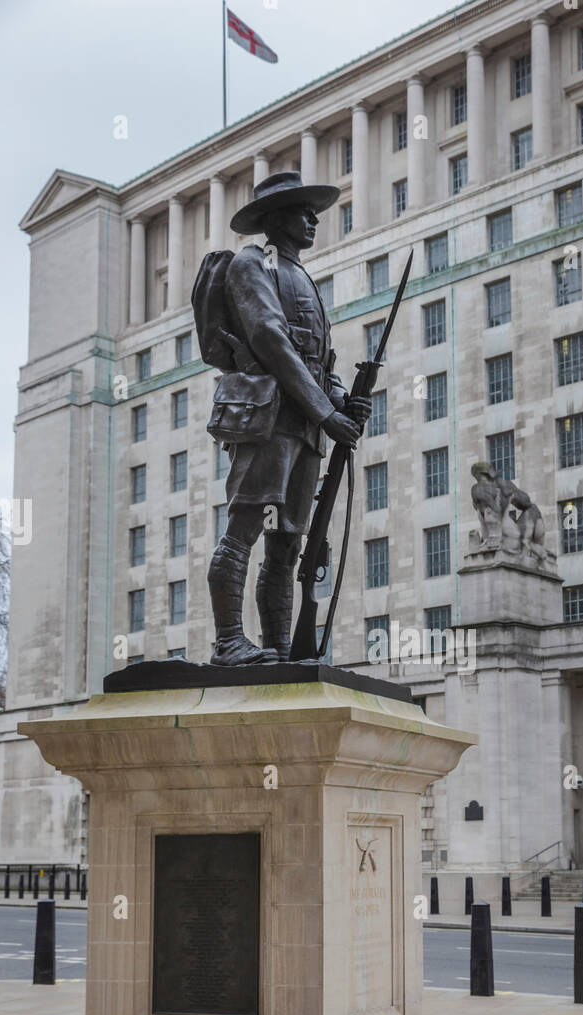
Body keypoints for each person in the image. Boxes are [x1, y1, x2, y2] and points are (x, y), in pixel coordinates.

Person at [207, 170, 371, 664]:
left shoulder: (302, 276)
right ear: (276, 219)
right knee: (244, 529)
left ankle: (280, 648)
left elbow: (319, 358)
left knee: (287, 545)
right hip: (269, 419)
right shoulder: (251, 264)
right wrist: (326, 413)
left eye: (313, 213)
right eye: (303, 212)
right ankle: (229, 642)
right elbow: (271, 340)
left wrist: (341, 398)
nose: (312, 221)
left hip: (304, 426)